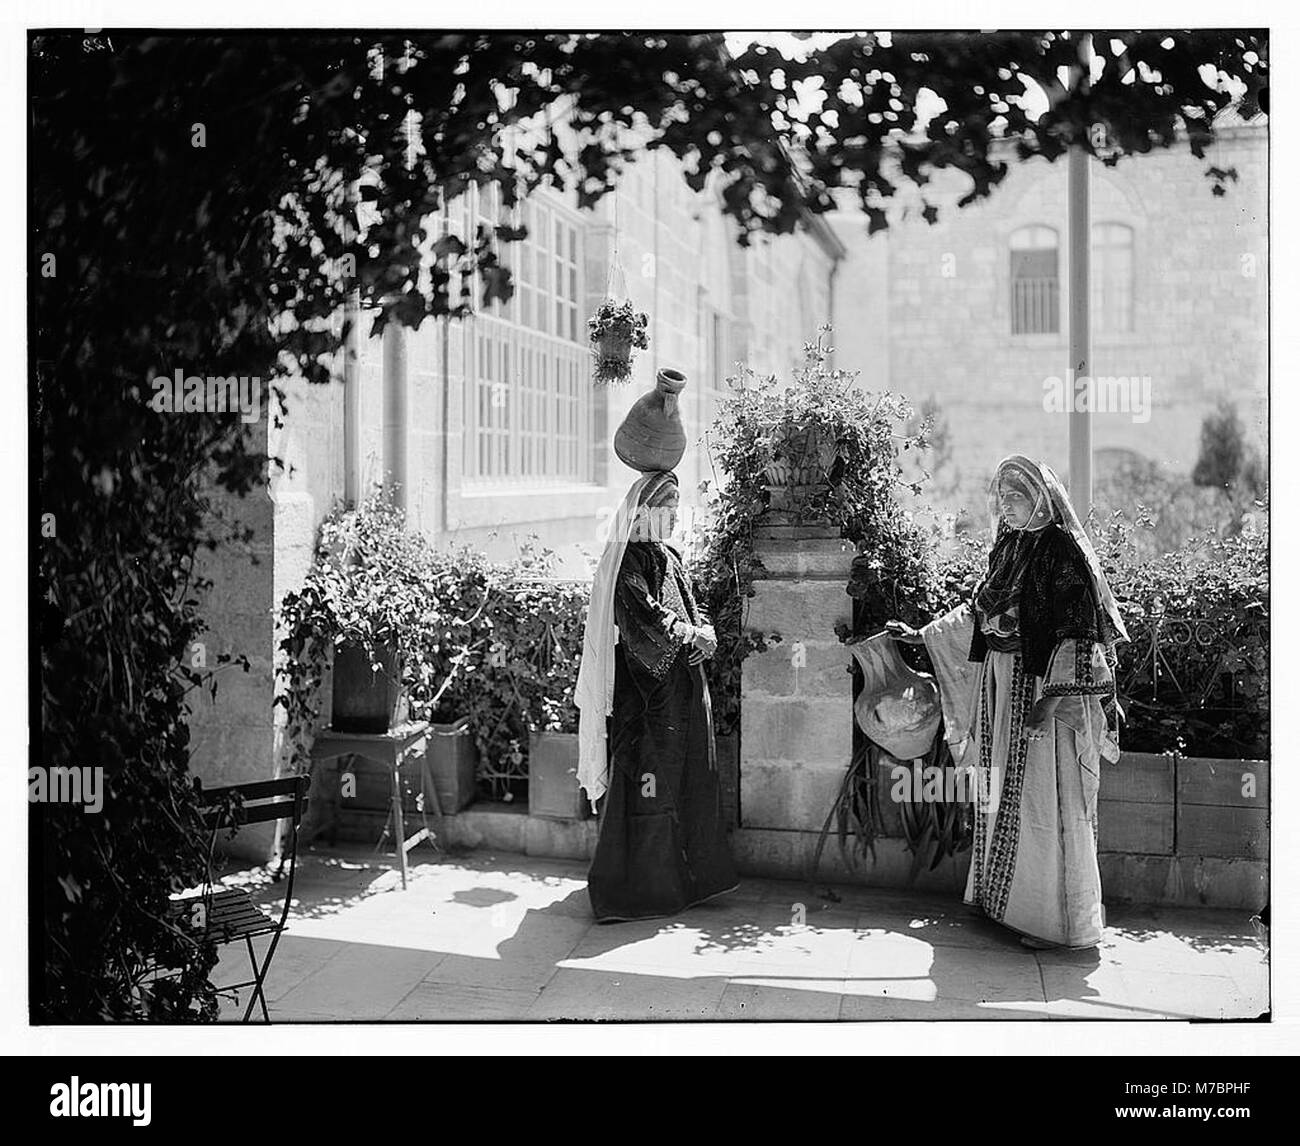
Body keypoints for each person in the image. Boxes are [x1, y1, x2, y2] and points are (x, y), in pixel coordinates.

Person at [885, 455, 1128, 949]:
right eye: (1002, 499)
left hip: (1041, 694)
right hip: (1000, 687)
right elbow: (979, 612)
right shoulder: (1009, 544)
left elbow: (1079, 637)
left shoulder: (1062, 552)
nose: (1005, 507)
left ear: (1040, 497)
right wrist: (923, 637)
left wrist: (1045, 706)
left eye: (1015, 497)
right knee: (1005, 796)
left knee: (1045, 798)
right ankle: (1005, 907)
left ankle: (1057, 925)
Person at [576, 469, 739, 923]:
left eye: (674, 509)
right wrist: (693, 635)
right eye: (664, 510)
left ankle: (687, 883)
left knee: (687, 782)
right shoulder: (629, 561)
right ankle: (636, 892)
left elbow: (687, 603)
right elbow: (644, 621)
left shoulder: (668, 556)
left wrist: (702, 628)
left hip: (683, 692)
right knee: (650, 787)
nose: (672, 518)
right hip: (649, 699)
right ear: (643, 514)